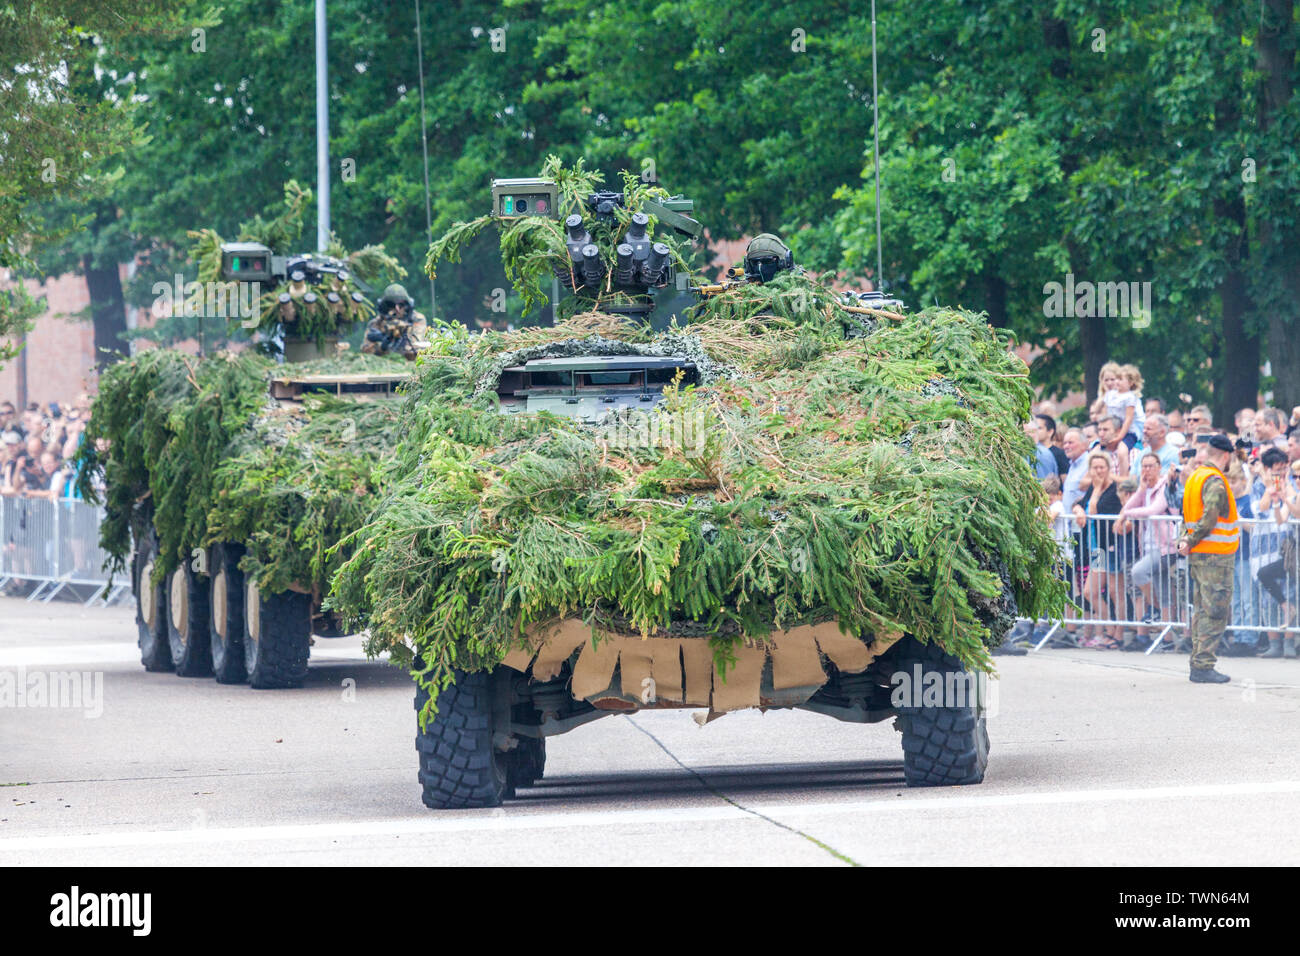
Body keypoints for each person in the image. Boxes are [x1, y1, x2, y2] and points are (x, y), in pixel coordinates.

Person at [1176, 433, 1239, 683]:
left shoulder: (1194, 477)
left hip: (1200, 555)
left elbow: (1187, 517)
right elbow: (1210, 517)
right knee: (1214, 611)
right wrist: (1190, 540)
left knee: (1201, 609)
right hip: (1216, 557)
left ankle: (1198, 663)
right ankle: (1203, 665)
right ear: (1225, 455)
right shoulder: (1214, 480)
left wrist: (1185, 539)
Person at [1119, 452, 1178, 645]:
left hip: (1165, 547)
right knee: (1164, 592)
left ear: (1159, 467)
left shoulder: (1164, 487)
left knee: (1138, 572)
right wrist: (1141, 490)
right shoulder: (1145, 489)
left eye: (1150, 466)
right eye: (1143, 466)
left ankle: (1155, 609)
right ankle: (1167, 637)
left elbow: (1154, 510)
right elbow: (1129, 506)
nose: (1146, 470)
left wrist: (1127, 514)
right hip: (1147, 546)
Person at [1073, 452, 1125, 648]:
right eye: (1095, 467)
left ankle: (1112, 632)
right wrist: (1078, 510)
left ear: (1108, 469)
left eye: (1102, 467)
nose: (1099, 471)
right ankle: (1109, 630)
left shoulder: (1111, 491)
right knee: (1092, 592)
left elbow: (1093, 511)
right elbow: (1080, 504)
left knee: (1098, 591)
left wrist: (1094, 493)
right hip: (1094, 548)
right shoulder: (1092, 489)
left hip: (1107, 547)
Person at [361, 284, 427, 359]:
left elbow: (415, 350)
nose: (397, 309)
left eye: (401, 305)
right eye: (391, 304)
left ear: (407, 305)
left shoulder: (416, 319)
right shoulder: (377, 322)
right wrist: (382, 346)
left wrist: (402, 334)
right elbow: (365, 351)